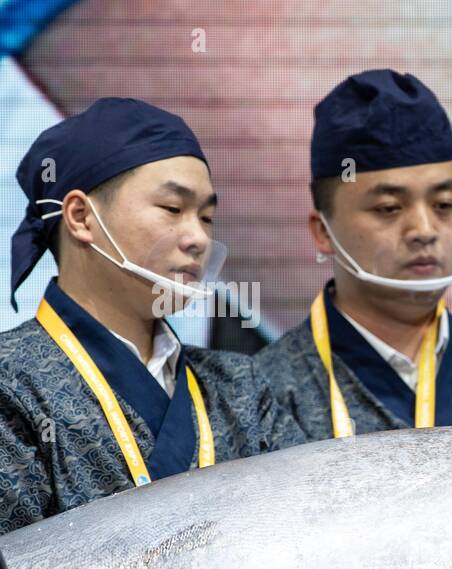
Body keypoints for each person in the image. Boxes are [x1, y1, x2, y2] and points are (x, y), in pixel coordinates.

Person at [0, 97, 304, 535]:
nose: (198, 237)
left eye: (208, 216)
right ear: (82, 217)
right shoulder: (12, 385)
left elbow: (304, 532)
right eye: (173, 209)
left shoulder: (241, 386)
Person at [255, 69, 452, 439]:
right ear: (323, 231)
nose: (425, 230)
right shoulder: (261, 398)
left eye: (444, 204)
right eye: (388, 208)